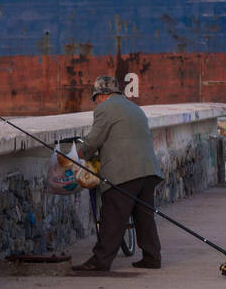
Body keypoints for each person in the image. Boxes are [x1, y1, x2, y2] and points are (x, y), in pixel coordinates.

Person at [61, 75, 162, 271]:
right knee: (144, 217)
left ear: (102, 95)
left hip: (123, 171)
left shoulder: (104, 109)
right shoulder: (136, 109)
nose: (96, 103)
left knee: (112, 216)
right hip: (148, 170)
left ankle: (101, 261)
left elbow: (93, 141)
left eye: (96, 98)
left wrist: (77, 155)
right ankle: (152, 257)